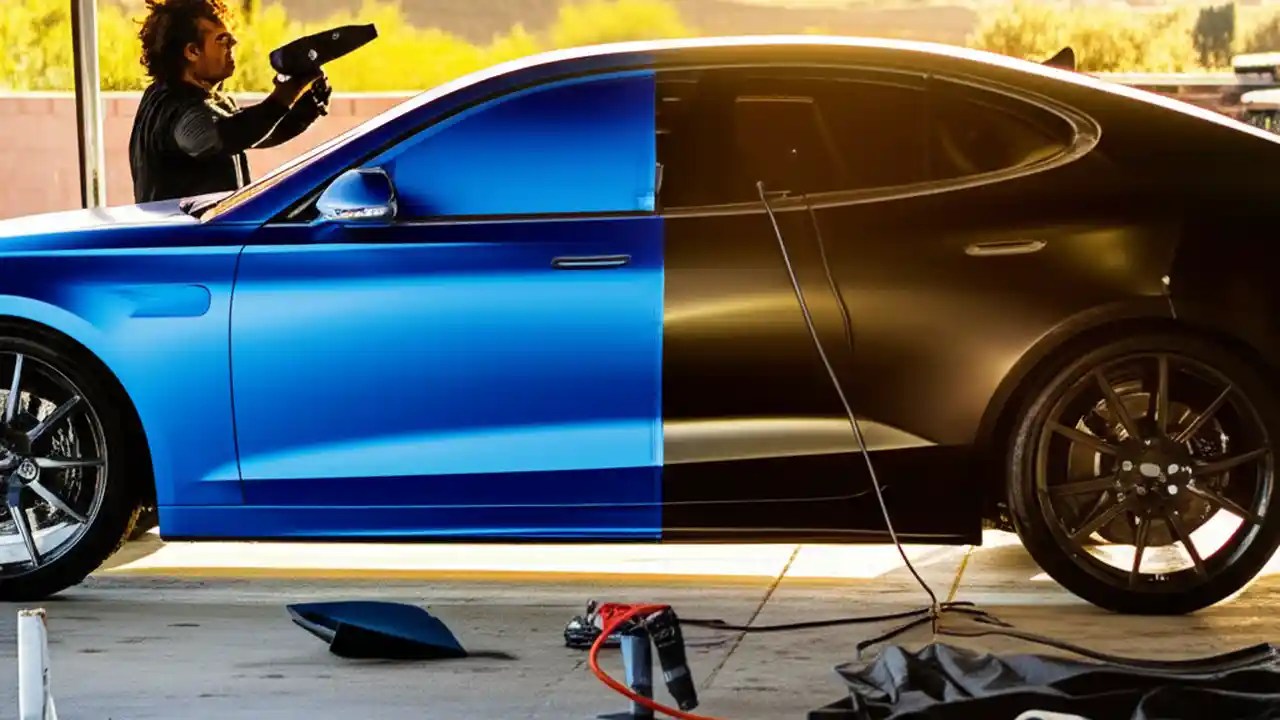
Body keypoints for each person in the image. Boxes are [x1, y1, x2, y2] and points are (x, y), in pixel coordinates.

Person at [128, 0, 329, 204]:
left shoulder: (198, 99)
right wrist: (285, 94)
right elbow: (215, 138)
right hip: (186, 235)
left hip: (207, 234)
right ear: (192, 52)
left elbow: (251, 136)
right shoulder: (173, 105)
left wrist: (305, 109)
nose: (233, 44)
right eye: (222, 40)